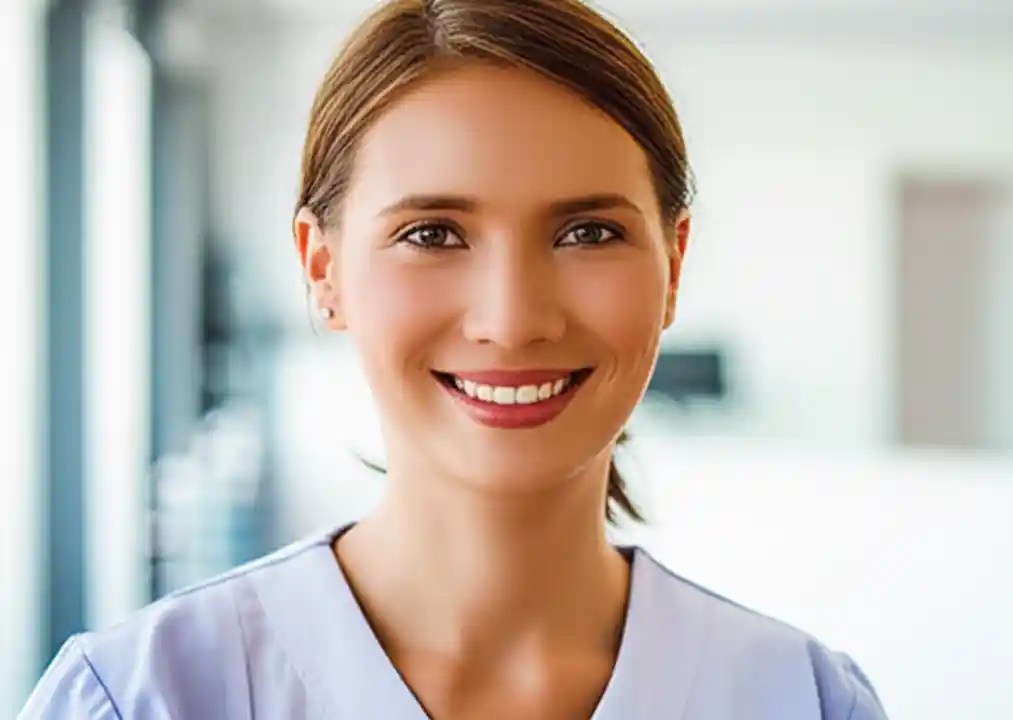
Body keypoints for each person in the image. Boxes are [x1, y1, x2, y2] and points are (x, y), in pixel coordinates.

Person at [22, 1, 888, 717]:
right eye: (431, 234)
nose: (512, 321)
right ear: (323, 270)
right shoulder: (146, 698)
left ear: (675, 266)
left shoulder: (799, 699)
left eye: (589, 233)